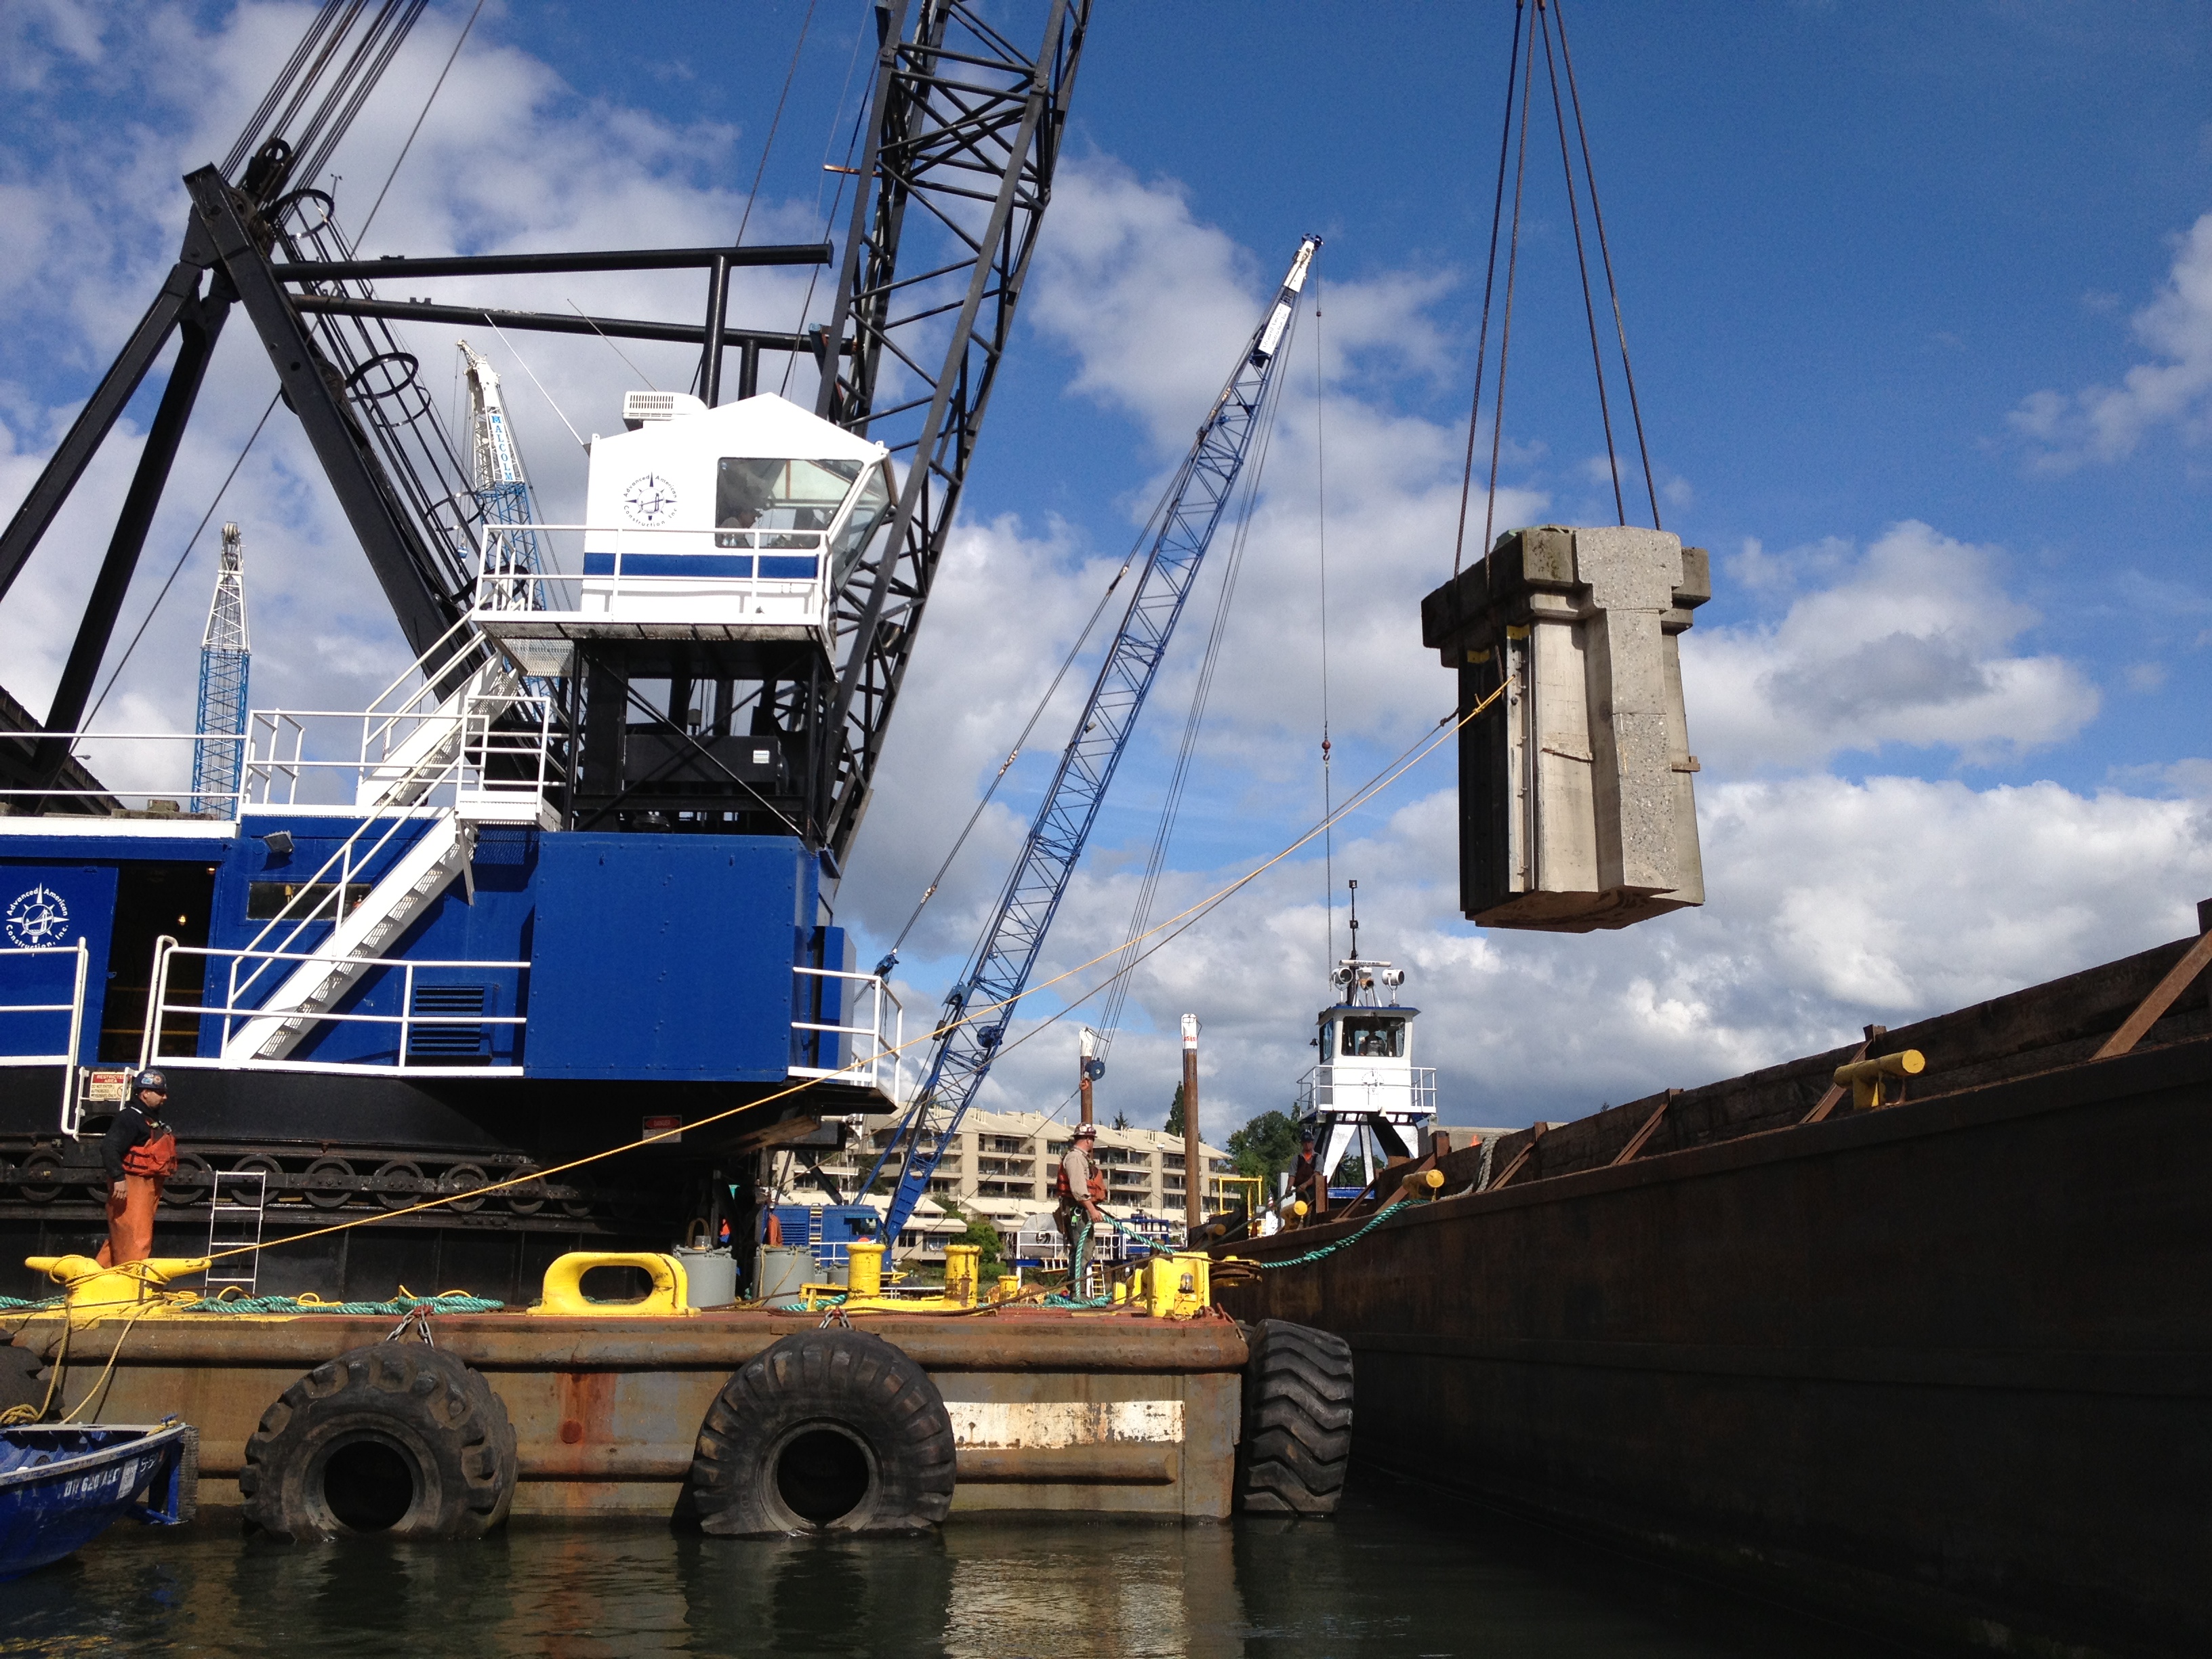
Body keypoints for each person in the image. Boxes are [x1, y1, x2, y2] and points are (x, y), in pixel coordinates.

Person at [97, 1069, 176, 1268]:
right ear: (145, 1093)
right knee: (134, 1239)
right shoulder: (130, 1118)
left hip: (147, 1187)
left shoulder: (149, 1119)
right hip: (132, 1187)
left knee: (123, 1237)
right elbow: (109, 1147)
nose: (165, 1097)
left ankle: (97, 1278)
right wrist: (118, 1178)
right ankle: (130, 1285)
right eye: (159, 1092)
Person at [1054, 1121, 1107, 1279]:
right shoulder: (1075, 1158)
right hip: (1077, 1209)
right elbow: (1078, 1190)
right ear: (1088, 1140)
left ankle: (1077, 1289)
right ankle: (1078, 1290)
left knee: (1082, 1248)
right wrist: (1092, 1209)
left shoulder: (1079, 1158)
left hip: (1078, 1207)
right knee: (1083, 1248)